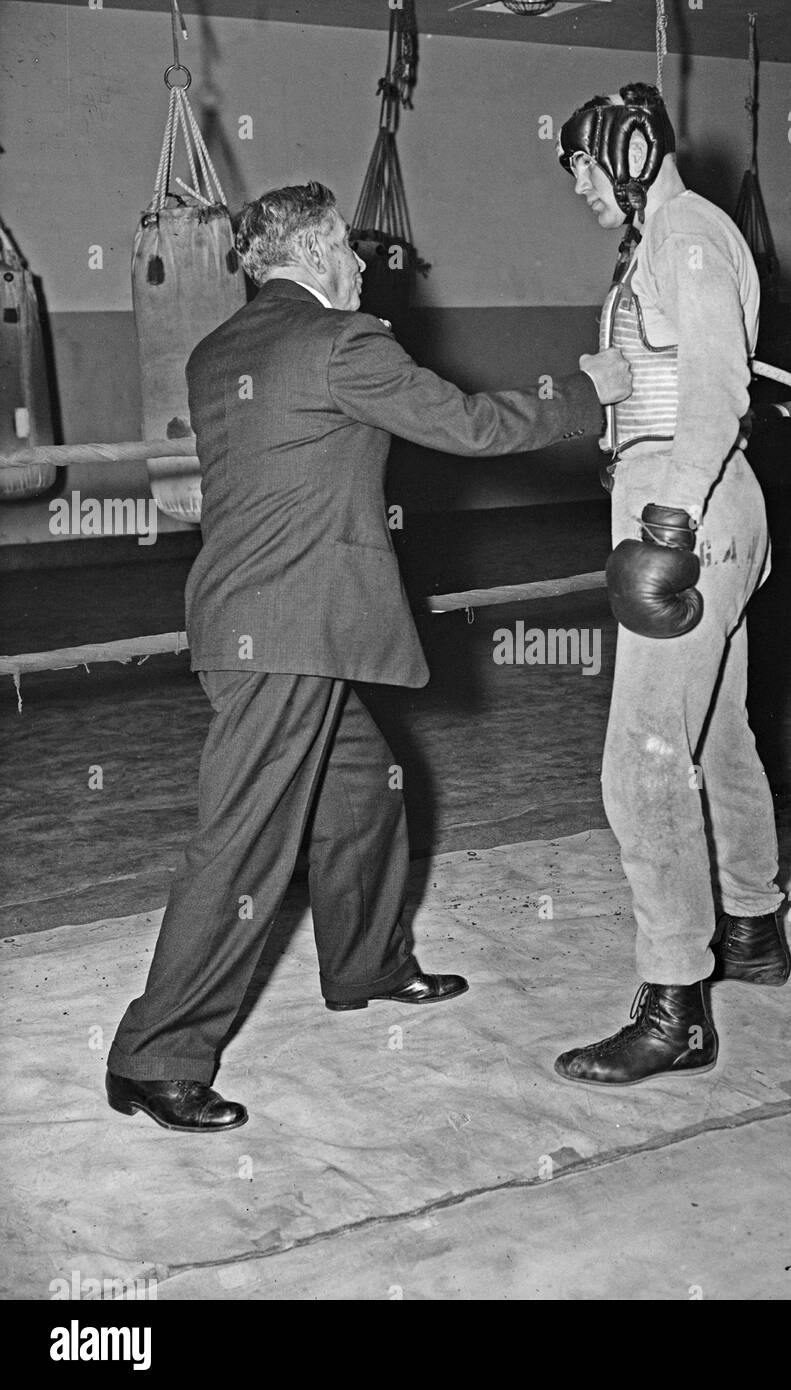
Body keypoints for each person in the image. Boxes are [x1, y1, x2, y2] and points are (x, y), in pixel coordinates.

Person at [106, 181, 631, 1131]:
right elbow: (471, 426)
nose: (360, 269)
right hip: (290, 632)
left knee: (368, 786)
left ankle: (367, 967)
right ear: (310, 255)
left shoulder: (219, 350)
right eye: (348, 253)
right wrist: (590, 395)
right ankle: (157, 1055)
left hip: (248, 620)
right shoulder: (341, 342)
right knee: (246, 841)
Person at [552, 84, 789, 1088]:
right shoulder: (659, 240)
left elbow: (717, 392)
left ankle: (673, 1003)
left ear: (632, 149)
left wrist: (668, 520)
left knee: (641, 761)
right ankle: (748, 925)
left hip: (687, 500)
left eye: (585, 171)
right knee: (717, 734)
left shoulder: (687, 233)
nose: (581, 192)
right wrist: (610, 394)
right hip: (685, 491)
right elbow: (664, 373)